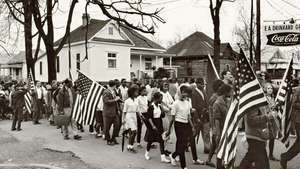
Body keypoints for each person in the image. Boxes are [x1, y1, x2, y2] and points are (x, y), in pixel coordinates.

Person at [238, 102, 275, 169]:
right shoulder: (254, 101)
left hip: (258, 136)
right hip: (255, 137)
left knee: (248, 162)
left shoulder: (258, 99)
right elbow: (251, 120)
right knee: (263, 165)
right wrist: (267, 117)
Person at [166, 85, 196, 169]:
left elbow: (189, 116)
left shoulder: (187, 103)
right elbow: (172, 118)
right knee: (182, 145)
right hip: (178, 125)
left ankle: (173, 155)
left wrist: (192, 127)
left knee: (183, 144)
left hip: (186, 124)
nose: (186, 95)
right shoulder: (175, 103)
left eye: (187, 93)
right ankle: (184, 166)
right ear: (180, 92)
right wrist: (169, 130)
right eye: (184, 93)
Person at [144, 92, 170, 163]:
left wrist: (162, 112)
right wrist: (153, 126)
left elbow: (162, 116)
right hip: (153, 125)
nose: (161, 100)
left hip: (159, 124)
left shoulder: (159, 106)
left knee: (161, 140)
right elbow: (149, 118)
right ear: (156, 98)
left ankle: (163, 157)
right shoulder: (151, 107)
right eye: (160, 99)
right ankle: (146, 153)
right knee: (150, 140)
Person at [280, 79, 300, 169]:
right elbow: (294, 103)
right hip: (298, 120)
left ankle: (285, 157)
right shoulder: (298, 90)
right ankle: (285, 157)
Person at [205, 79, 225, 167]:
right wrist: (213, 127)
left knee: (214, 143)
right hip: (216, 123)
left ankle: (208, 160)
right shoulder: (215, 98)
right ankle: (220, 164)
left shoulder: (217, 97)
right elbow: (212, 114)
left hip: (216, 123)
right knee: (218, 144)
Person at [190, 77, 210, 154]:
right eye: (202, 84)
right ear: (197, 84)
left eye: (204, 84)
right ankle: (187, 144)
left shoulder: (204, 92)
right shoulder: (193, 93)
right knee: (194, 133)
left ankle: (207, 147)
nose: (203, 85)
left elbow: (206, 102)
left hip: (205, 116)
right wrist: (196, 118)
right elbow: (193, 106)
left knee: (206, 133)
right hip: (197, 117)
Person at [264, 83, 279, 161]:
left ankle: (271, 154)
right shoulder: (263, 98)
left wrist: (276, 108)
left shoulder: (274, 98)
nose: (270, 90)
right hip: (265, 120)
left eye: (271, 88)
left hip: (273, 120)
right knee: (264, 138)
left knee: (272, 138)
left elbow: (276, 109)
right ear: (265, 89)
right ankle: (262, 155)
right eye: (268, 88)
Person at [103, 80, 121, 145]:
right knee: (107, 127)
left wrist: (118, 109)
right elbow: (106, 101)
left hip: (114, 112)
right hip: (108, 112)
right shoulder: (106, 92)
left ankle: (113, 138)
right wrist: (115, 99)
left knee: (117, 125)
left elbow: (116, 102)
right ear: (114, 85)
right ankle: (108, 140)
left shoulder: (114, 91)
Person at [123, 85, 139, 153]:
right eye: (136, 92)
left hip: (134, 115)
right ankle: (131, 146)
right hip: (129, 116)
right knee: (134, 131)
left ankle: (129, 146)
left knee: (131, 132)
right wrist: (123, 119)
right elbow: (124, 111)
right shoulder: (127, 101)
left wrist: (141, 117)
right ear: (132, 92)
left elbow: (137, 110)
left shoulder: (136, 100)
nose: (137, 93)